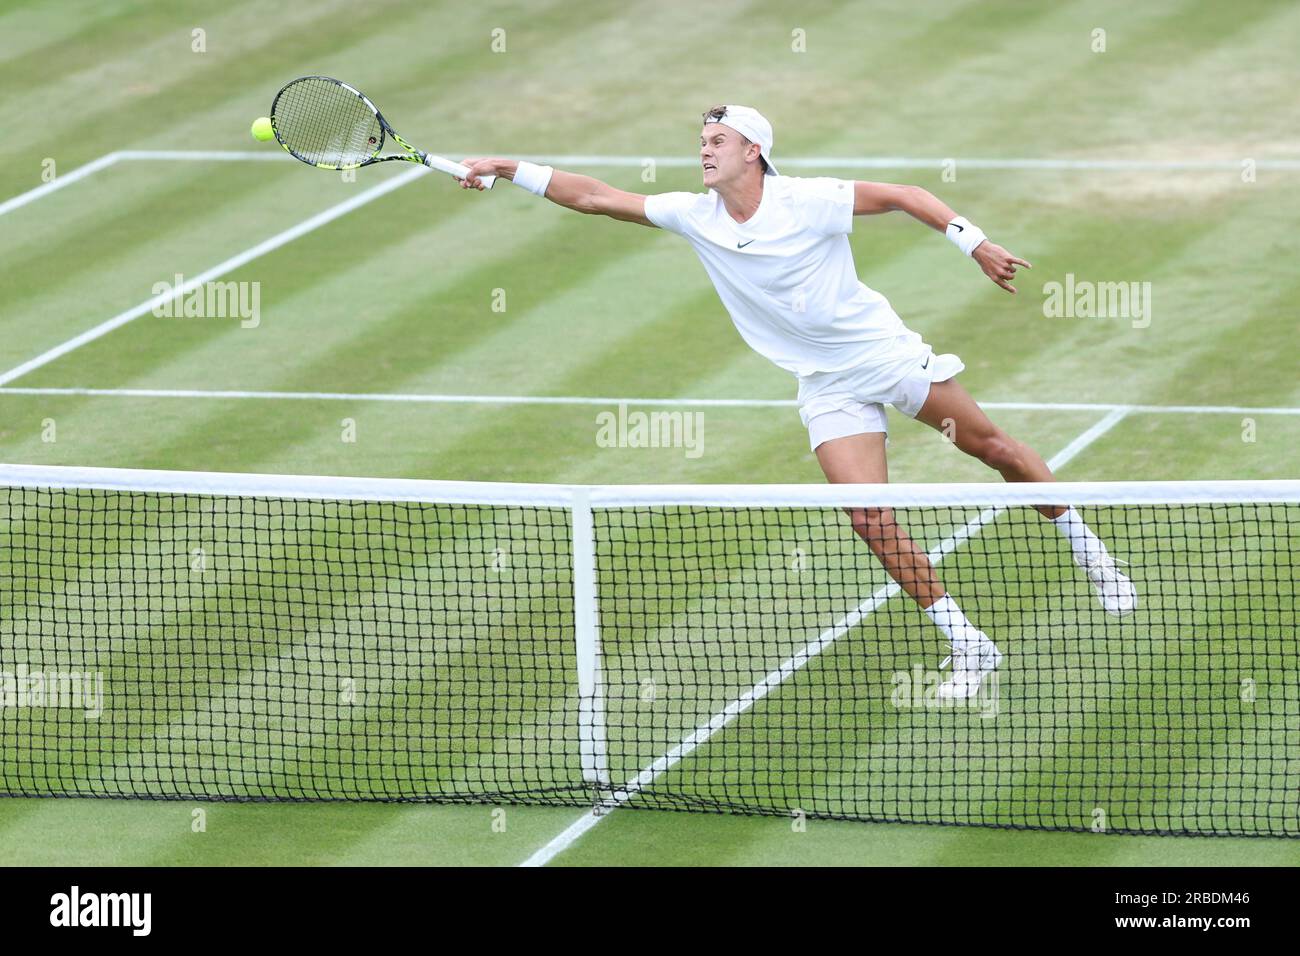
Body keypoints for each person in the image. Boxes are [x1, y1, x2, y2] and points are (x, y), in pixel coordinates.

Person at [459, 105, 1136, 699]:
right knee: (868, 518)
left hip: (884, 356)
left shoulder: (809, 201)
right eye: (702, 140)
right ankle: (969, 644)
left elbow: (904, 193)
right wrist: (510, 166)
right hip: (826, 383)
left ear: (753, 151)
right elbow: (596, 196)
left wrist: (976, 243)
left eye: (717, 141)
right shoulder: (695, 215)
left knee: (993, 450)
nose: (704, 150)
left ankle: (1089, 552)